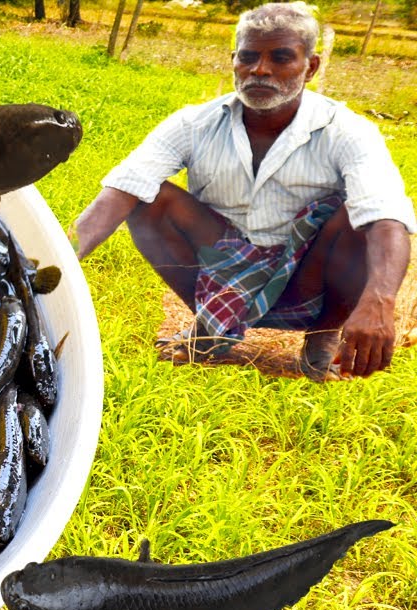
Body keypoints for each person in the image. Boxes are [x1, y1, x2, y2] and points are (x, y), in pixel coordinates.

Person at [70, 1, 416, 381]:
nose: (260, 69)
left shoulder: (347, 131)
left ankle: (322, 337)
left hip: (307, 278)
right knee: (147, 200)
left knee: (359, 216)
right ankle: (211, 328)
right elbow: (122, 188)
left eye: (281, 57)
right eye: (248, 57)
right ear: (233, 60)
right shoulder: (194, 122)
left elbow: (387, 218)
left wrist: (381, 302)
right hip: (221, 269)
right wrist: (60, 261)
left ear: (311, 66)